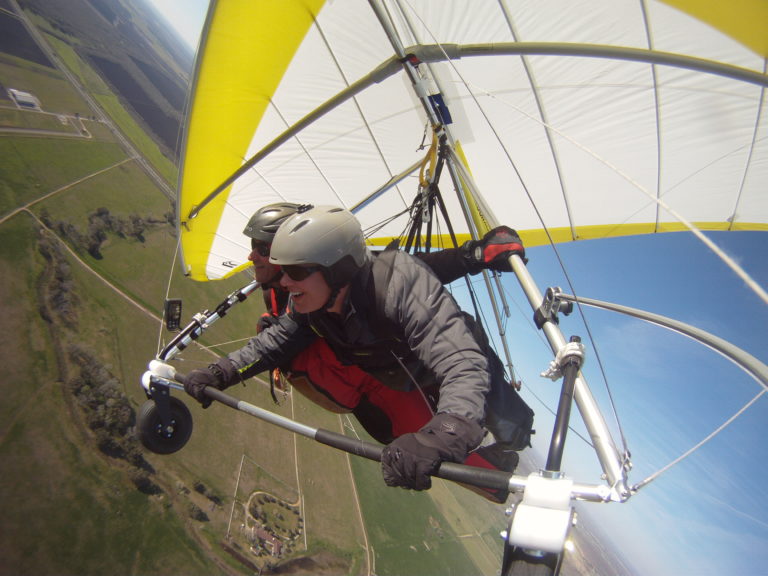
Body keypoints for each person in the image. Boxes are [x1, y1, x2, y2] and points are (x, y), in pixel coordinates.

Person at [185, 205, 532, 500]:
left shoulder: (399, 286)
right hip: (405, 374)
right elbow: (276, 342)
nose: (286, 283)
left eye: (295, 271)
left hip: (454, 358)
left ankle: (508, 451)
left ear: (335, 272)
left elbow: (462, 364)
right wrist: (222, 372)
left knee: (508, 426)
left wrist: (443, 437)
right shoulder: (313, 303)